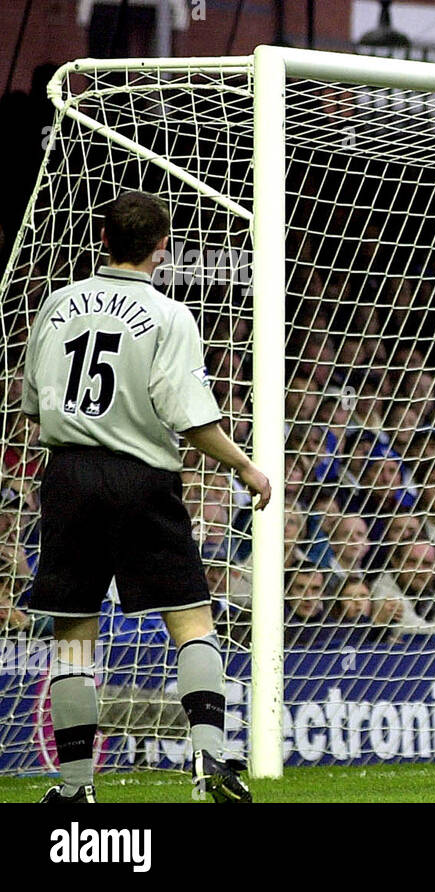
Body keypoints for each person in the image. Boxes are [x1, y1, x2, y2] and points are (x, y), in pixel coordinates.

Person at [21, 191, 271, 803]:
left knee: (75, 635)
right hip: (140, 478)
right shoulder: (168, 314)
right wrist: (246, 467)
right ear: (163, 248)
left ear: (101, 240)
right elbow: (189, 418)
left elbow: (32, 402)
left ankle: (76, 786)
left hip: (69, 476)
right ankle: (210, 758)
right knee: (191, 619)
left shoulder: (56, 305)